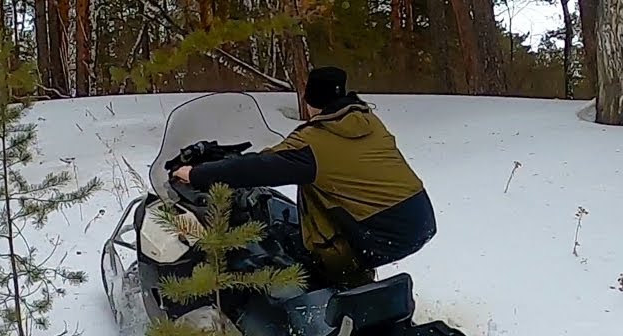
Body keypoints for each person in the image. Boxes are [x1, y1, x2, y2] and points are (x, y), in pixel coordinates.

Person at [170, 66, 436, 289]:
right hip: (419, 218)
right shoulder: (367, 120)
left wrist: (195, 174)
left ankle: (330, 309)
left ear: (309, 103)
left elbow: (260, 167)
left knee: (305, 250)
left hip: (379, 232)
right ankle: (360, 288)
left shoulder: (314, 142)